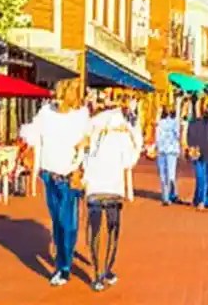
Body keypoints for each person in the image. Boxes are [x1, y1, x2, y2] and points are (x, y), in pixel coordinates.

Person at [19, 79, 90, 287]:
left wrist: (79, 162)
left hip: (70, 175)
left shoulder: (81, 115)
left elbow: (86, 142)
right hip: (49, 173)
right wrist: (34, 176)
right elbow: (36, 141)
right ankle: (62, 262)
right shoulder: (45, 113)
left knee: (68, 223)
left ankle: (64, 267)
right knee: (57, 221)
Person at [82, 96, 140, 291]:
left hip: (94, 186)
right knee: (112, 229)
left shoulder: (91, 128)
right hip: (113, 187)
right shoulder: (123, 132)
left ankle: (97, 274)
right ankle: (106, 270)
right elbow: (130, 160)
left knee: (95, 229)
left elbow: (82, 153)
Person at [154, 107, 182, 205]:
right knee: (170, 174)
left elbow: (157, 136)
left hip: (163, 150)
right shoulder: (175, 122)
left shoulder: (160, 122)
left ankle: (167, 196)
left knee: (164, 174)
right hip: (170, 150)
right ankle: (170, 195)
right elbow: (178, 135)